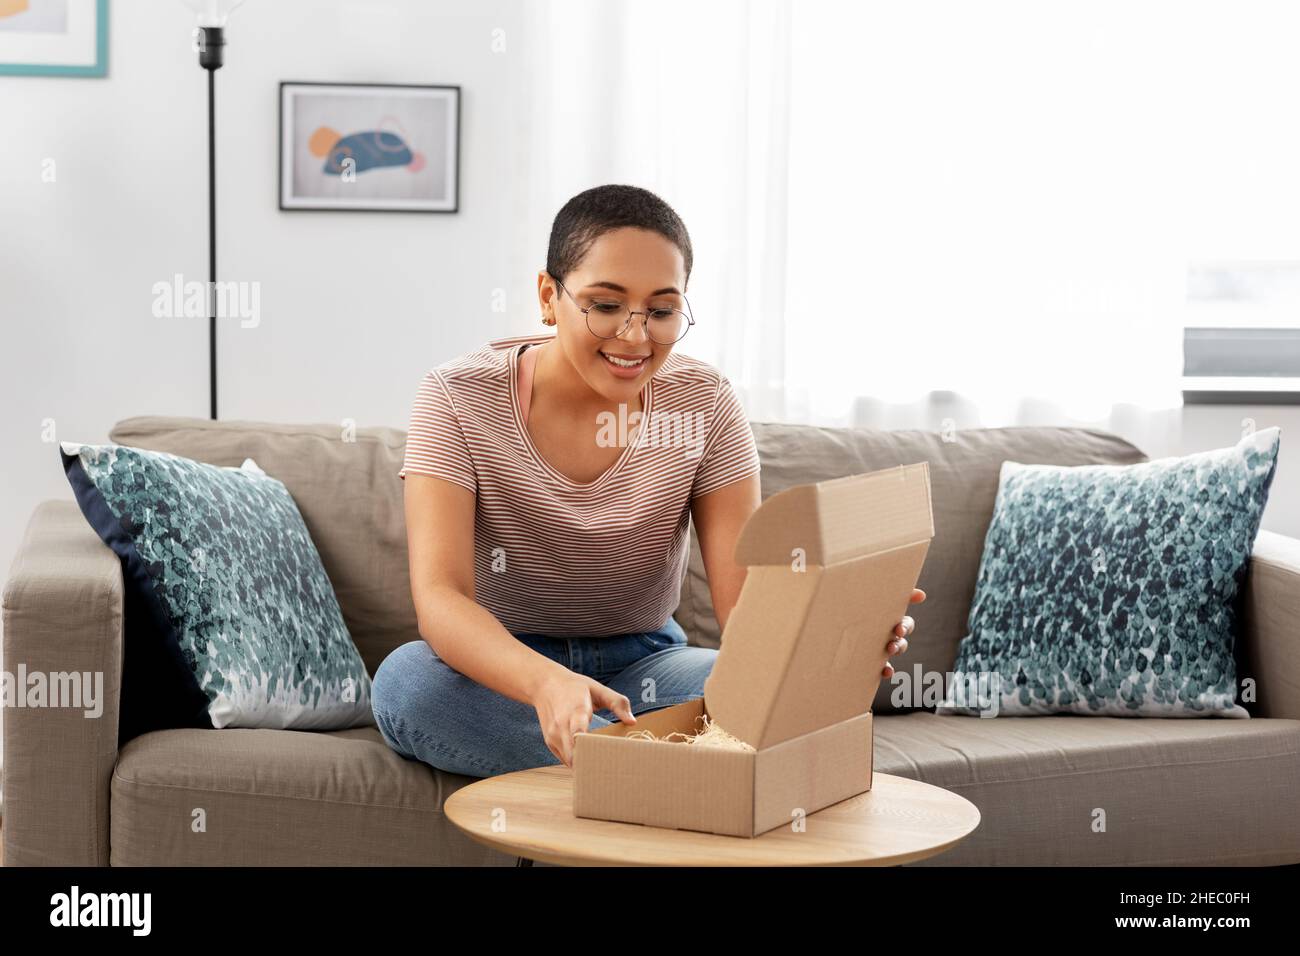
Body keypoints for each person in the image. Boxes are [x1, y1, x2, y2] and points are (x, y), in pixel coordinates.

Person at [370, 184, 922, 777]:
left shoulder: (703, 402)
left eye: (661, 311)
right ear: (548, 297)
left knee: (782, 701)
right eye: (605, 306)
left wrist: (833, 646)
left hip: (649, 668)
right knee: (408, 685)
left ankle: (623, 775)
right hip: (504, 671)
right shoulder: (457, 396)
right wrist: (546, 683)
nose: (635, 337)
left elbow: (746, 613)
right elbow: (441, 599)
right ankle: (676, 777)